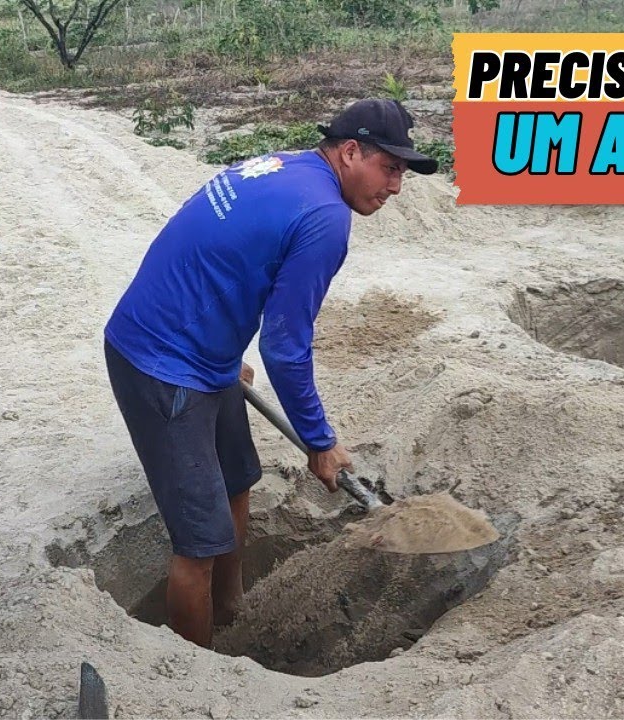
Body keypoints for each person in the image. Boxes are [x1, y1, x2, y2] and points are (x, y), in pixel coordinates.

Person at [104, 98, 438, 647]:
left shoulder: (284, 166)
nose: (396, 186)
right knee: (198, 546)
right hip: (159, 363)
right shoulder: (325, 217)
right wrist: (319, 442)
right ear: (351, 152)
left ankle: (232, 610)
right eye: (391, 168)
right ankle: (195, 668)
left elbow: (214, 253)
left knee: (239, 482)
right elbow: (285, 349)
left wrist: (221, 348)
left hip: (201, 352)